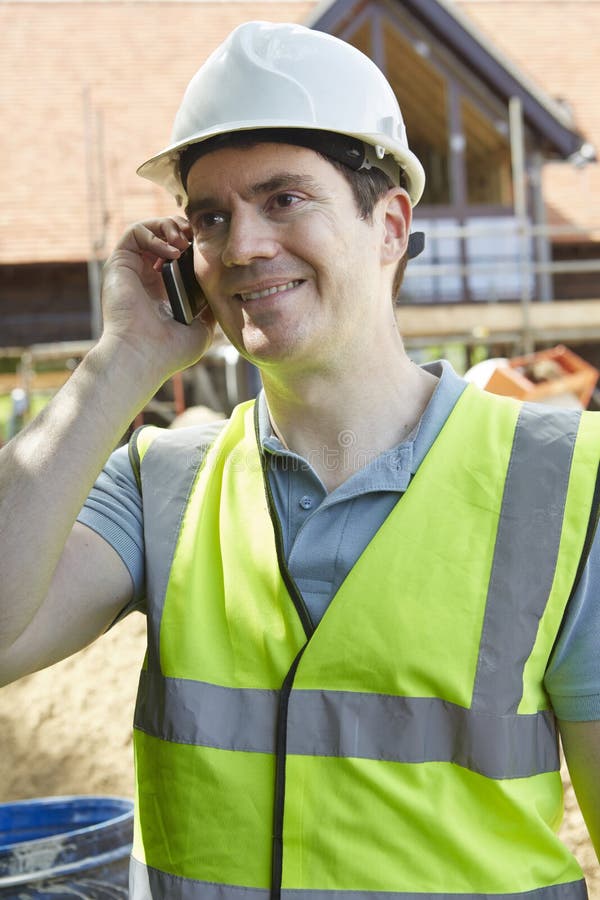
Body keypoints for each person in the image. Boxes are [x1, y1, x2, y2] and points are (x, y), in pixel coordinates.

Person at [1, 20, 599, 900]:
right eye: (212, 215)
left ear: (390, 225)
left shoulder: (564, 485)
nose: (242, 246)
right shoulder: (159, 483)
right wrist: (123, 359)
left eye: (285, 199)